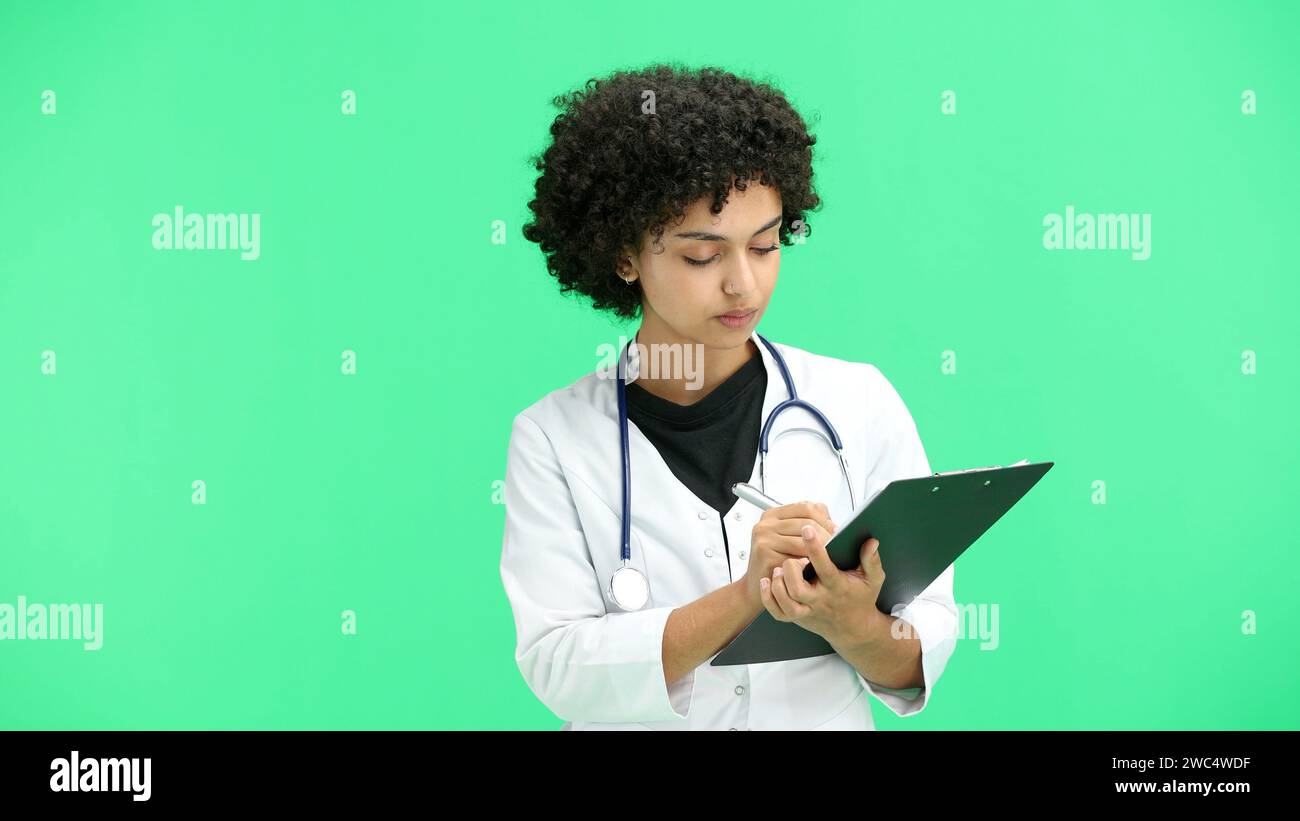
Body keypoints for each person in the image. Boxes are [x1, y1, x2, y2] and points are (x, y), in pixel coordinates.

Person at [501, 64, 958, 730]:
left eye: (766, 246)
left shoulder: (857, 402)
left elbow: (919, 646)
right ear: (625, 255)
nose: (743, 284)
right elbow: (560, 665)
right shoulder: (553, 439)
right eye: (701, 256)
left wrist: (855, 624)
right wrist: (747, 595)